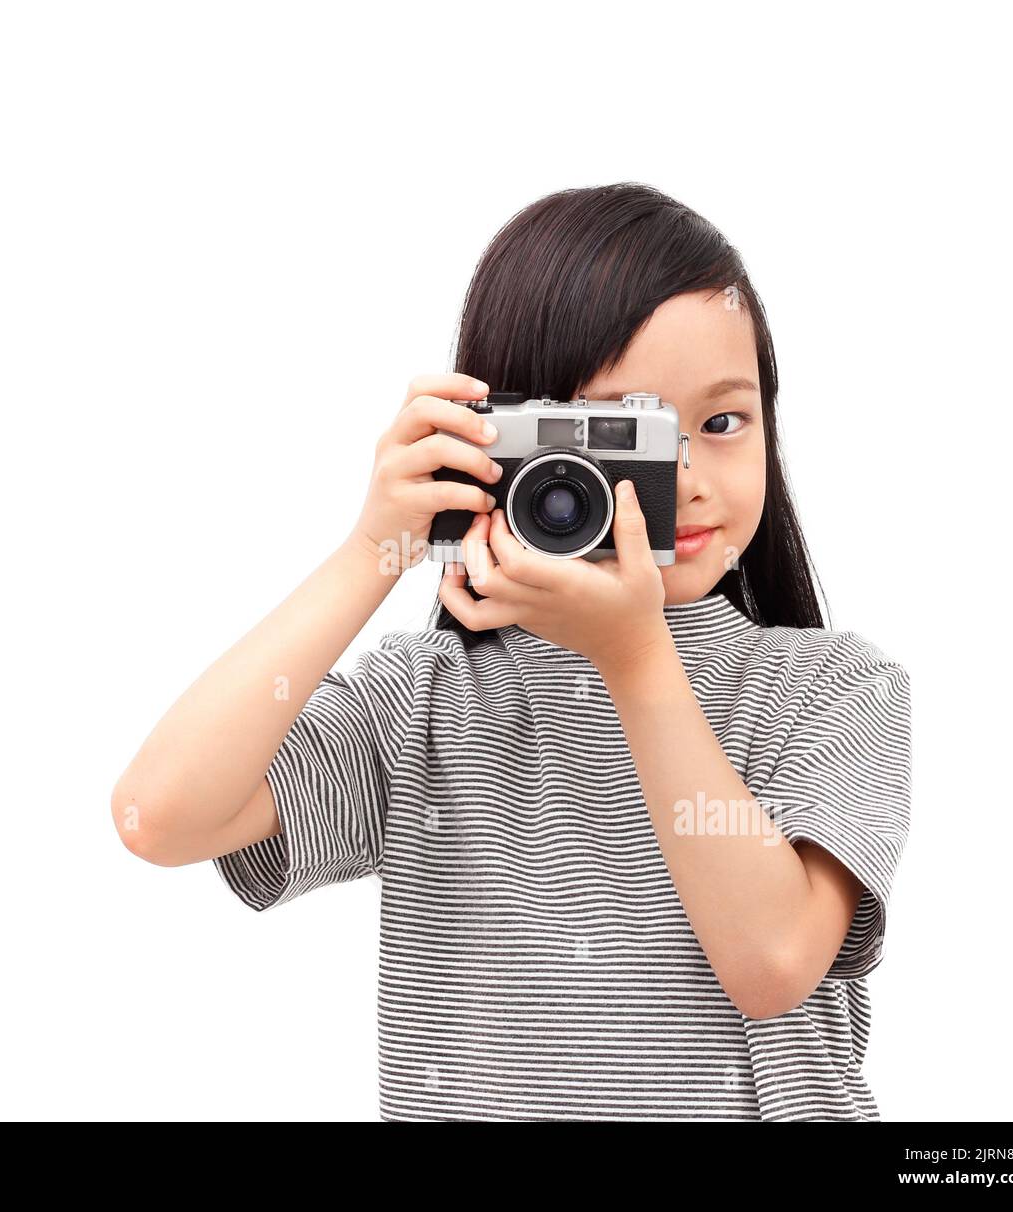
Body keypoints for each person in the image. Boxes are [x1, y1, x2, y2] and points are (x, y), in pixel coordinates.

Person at [111, 182, 912, 1121]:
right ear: (513, 446)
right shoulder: (426, 703)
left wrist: (637, 658)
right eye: (633, 437)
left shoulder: (832, 688)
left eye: (724, 422)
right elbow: (156, 816)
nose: (688, 477)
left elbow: (774, 962)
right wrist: (376, 549)